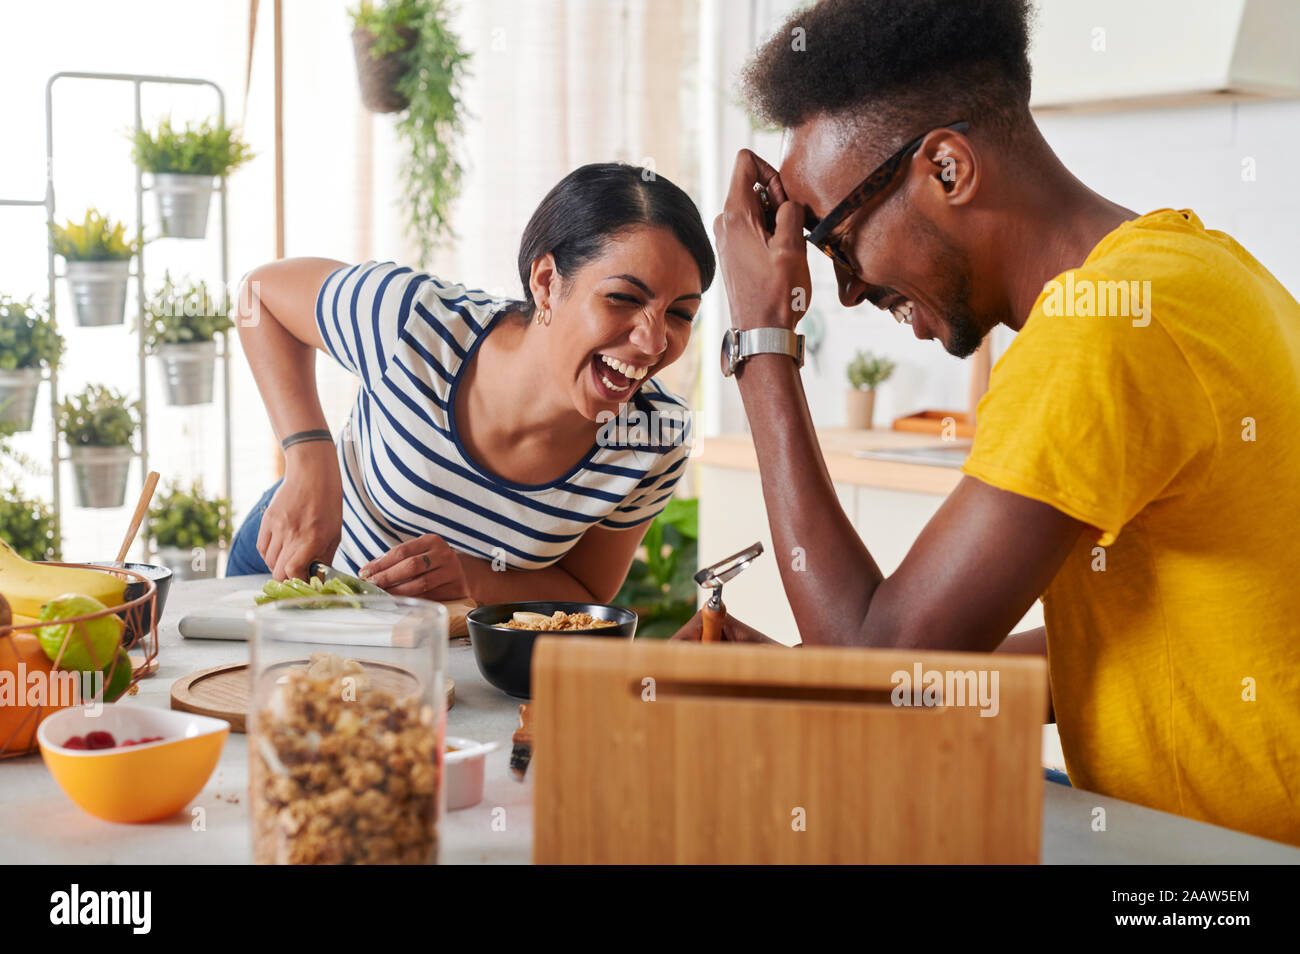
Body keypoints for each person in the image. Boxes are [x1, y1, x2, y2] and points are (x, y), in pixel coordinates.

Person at [678, 0, 1300, 847]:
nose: (848, 289)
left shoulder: (1100, 328)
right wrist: (810, 679)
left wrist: (761, 344)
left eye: (837, 240)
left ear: (946, 168)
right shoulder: (1198, 270)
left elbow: (871, 676)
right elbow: (1142, 641)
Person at [227, 163, 712, 607]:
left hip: (423, 647)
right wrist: (309, 457)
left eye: (680, 313)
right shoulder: (413, 322)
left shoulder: (654, 436)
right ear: (545, 282)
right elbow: (259, 296)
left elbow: (583, 594)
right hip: (280, 571)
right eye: (623, 298)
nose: (653, 341)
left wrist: (472, 579)